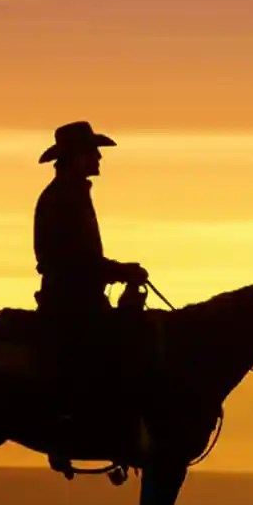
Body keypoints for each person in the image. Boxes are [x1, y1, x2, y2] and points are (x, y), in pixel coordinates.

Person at [34, 120, 148, 477]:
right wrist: (119, 271)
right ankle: (77, 429)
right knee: (114, 351)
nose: (99, 157)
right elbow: (73, 260)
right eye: (92, 152)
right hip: (70, 300)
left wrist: (115, 270)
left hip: (77, 294)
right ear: (76, 158)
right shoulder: (62, 198)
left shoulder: (70, 194)